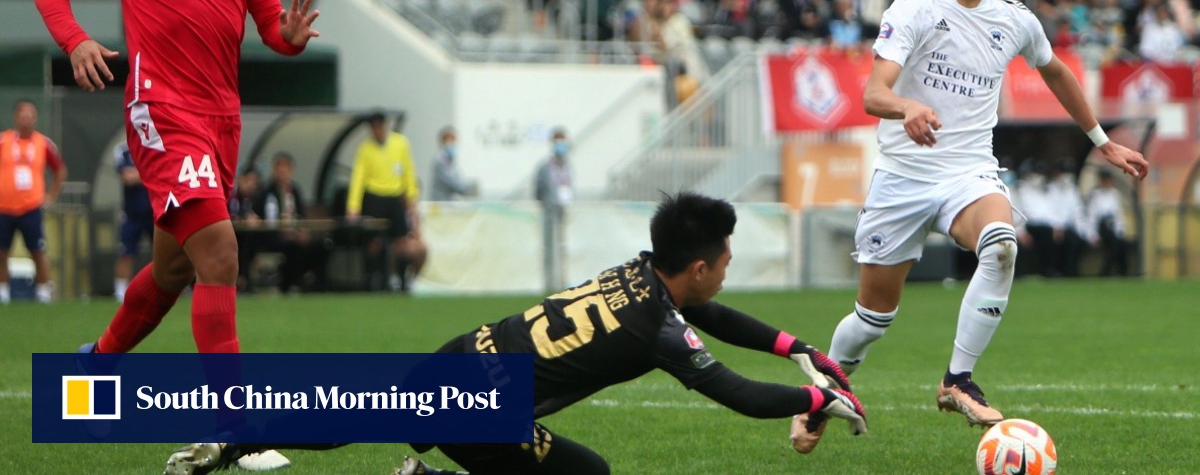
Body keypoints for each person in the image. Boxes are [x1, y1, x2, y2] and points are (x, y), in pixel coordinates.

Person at [163, 192, 868, 475]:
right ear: (698, 266)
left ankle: (232, 438)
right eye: (725, 262)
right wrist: (816, 399)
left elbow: (706, 312)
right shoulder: (657, 326)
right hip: (486, 413)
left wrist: (795, 348)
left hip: (463, 354)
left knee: (359, 417)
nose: (727, 271)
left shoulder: (639, 272)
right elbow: (739, 394)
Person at [822, 0, 1150, 435]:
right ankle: (824, 391)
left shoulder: (1014, 19)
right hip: (903, 178)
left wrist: (1101, 140)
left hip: (968, 174)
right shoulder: (915, 7)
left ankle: (958, 380)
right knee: (872, 319)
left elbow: (1056, 71)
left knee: (1001, 244)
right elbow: (873, 93)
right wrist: (907, 107)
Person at [35, 0, 317, 468]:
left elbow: (272, 28)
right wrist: (76, 41)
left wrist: (290, 39)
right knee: (220, 255)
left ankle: (91, 368)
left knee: (172, 271)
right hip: (162, 113)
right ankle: (234, 428)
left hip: (222, 122)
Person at [346, 112, 425, 292]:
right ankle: (372, 278)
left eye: (379, 126)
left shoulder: (401, 143)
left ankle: (402, 278)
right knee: (373, 241)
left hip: (394, 196)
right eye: (373, 127)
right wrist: (353, 206)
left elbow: (408, 171)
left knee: (402, 241)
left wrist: (411, 197)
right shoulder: (365, 148)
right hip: (374, 196)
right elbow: (358, 177)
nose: (377, 130)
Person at [0, 100, 67, 304]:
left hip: (31, 207)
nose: (26, 119)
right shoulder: (4, 141)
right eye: (23, 115)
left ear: (36, 119)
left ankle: (44, 291)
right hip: (4, 207)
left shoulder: (43, 143)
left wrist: (51, 195)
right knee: (2, 252)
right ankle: (3, 291)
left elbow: (60, 169)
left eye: (30, 115)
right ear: (15, 117)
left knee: (38, 251)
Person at [258, 152, 329, 293]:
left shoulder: (295, 190)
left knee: (322, 245)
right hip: (273, 235)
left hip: (294, 233)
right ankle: (288, 284)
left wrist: (302, 231)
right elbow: (261, 215)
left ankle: (316, 285)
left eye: (285, 167)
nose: (282, 170)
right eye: (279, 167)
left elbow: (301, 215)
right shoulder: (267, 191)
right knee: (292, 247)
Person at [113, 142, 154, 302]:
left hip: (155, 212)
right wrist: (150, 173)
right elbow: (128, 177)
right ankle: (120, 291)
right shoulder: (124, 151)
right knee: (126, 253)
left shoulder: (155, 146)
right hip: (131, 214)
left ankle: (164, 290)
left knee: (163, 254)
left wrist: (138, 174)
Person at [534, 128, 573, 293]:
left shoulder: (568, 166)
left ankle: (564, 281)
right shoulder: (545, 167)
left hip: (564, 211)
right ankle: (549, 284)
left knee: (564, 247)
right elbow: (538, 189)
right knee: (549, 249)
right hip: (549, 211)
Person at [1087, 169, 1131, 277]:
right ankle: (1106, 271)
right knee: (1114, 242)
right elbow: (1092, 216)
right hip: (1102, 227)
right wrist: (1093, 235)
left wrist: (1121, 230)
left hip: (1113, 227)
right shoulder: (1096, 195)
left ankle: (1122, 270)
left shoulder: (1115, 195)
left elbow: (1118, 214)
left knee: (1121, 243)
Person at [429, 126, 474, 201]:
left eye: (454, 139)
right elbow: (457, 185)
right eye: (449, 139)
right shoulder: (440, 160)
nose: (452, 143)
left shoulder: (450, 160)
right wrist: (469, 188)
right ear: (442, 141)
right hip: (440, 203)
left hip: (448, 203)